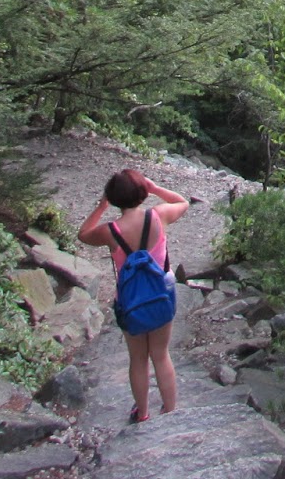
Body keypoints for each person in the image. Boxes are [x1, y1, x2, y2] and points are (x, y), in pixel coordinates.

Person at [77, 167, 189, 422]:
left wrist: (101, 207)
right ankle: (170, 411)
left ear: (114, 198)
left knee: (138, 358)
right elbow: (182, 202)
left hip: (129, 300)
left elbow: (83, 234)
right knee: (161, 354)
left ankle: (143, 413)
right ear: (142, 192)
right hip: (162, 292)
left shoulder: (110, 231)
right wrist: (156, 188)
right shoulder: (159, 216)